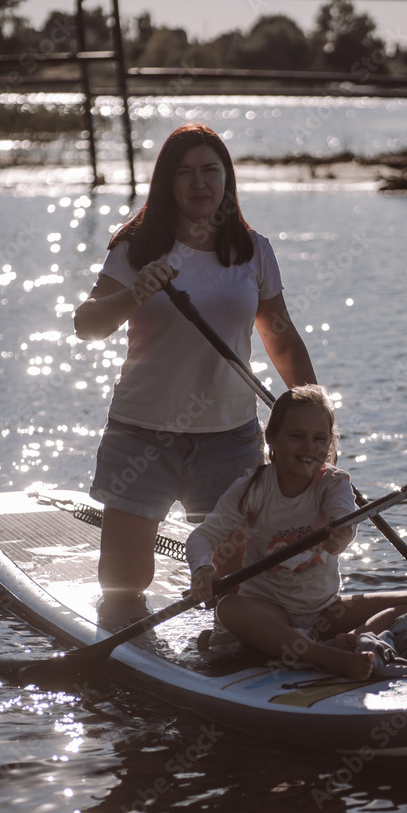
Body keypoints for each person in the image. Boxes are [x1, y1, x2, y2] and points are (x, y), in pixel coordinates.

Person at [74, 124, 316, 624]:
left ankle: (235, 661)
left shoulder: (253, 250)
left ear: (227, 180)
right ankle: (129, 678)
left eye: (210, 171)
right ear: (166, 184)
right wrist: (134, 293)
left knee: (232, 586)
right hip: (141, 436)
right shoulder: (135, 247)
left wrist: (314, 415)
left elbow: (282, 337)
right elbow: (87, 326)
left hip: (229, 440)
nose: (199, 182)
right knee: (123, 584)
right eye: (185, 173)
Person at [187, 385, 407, 680]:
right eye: (297, 436)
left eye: (319, 439)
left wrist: (342, 533)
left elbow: (343, 515)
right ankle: (327, 656)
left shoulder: (334, 482)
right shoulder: (252, 487)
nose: (310, 447)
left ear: (330, 442)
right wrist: (202, 569)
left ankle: (352, 640)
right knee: (228, 608)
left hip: (327, 611)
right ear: (272, 439)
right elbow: (202, 537)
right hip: (270, 611)